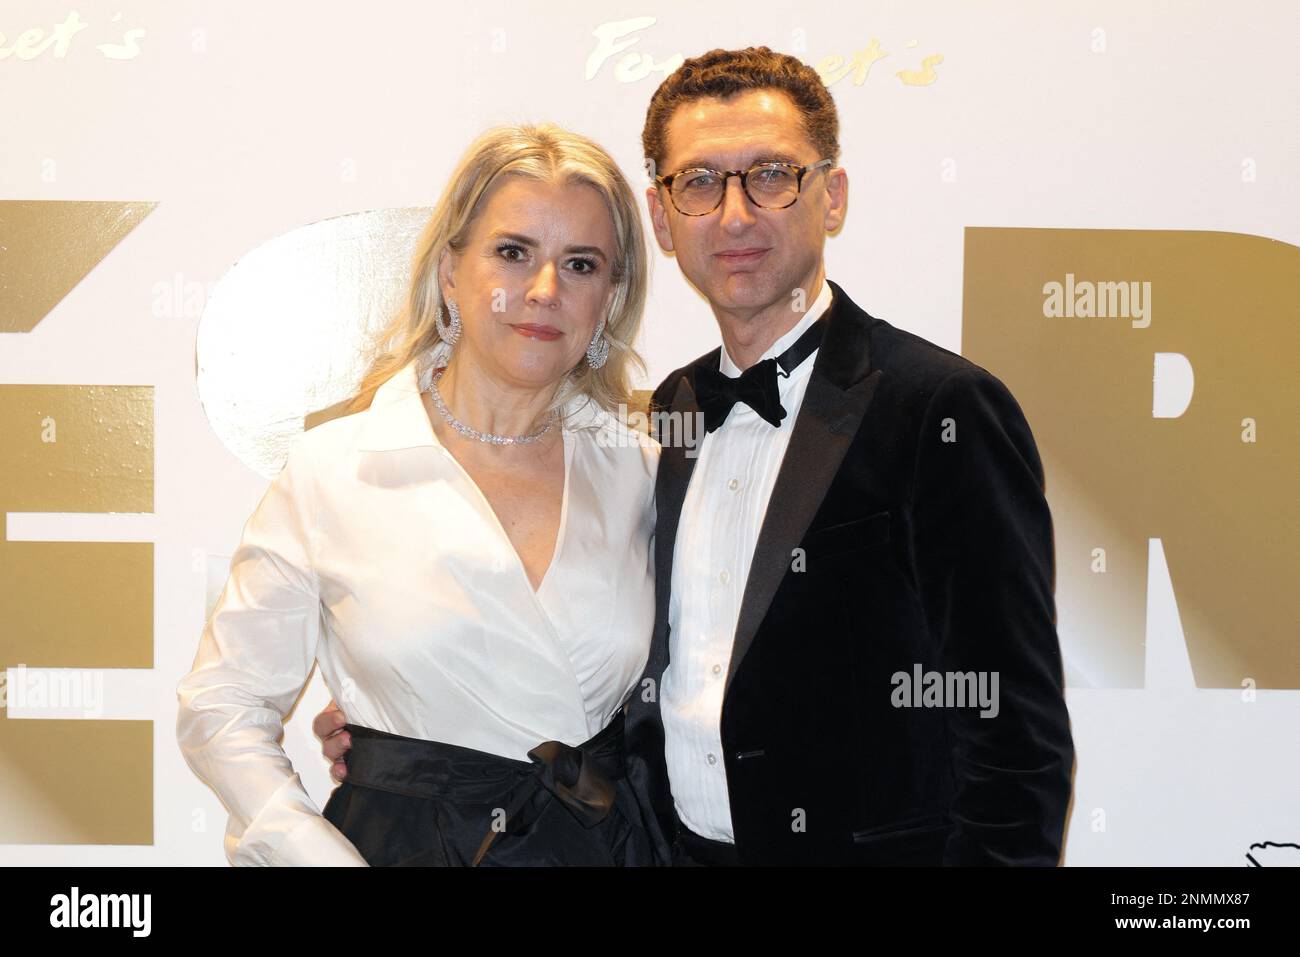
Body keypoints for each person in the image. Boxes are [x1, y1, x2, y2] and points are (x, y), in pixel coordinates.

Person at [318, 46, 1076, 867]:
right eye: (702, 182)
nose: (737, 215)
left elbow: (1015, 739)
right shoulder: (656, 424)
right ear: (661, 215)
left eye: (773, 175)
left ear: (833, 197)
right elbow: (590, 654)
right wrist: (412, 731)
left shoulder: (939, 409)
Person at [176, 122, 660, 866]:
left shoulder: (644, 471)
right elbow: (221, 705)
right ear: (448, 272)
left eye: (581, 264)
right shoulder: (334, 470)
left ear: (610, 297)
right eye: (512, 252)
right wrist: (319, 852)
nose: (543, 291)